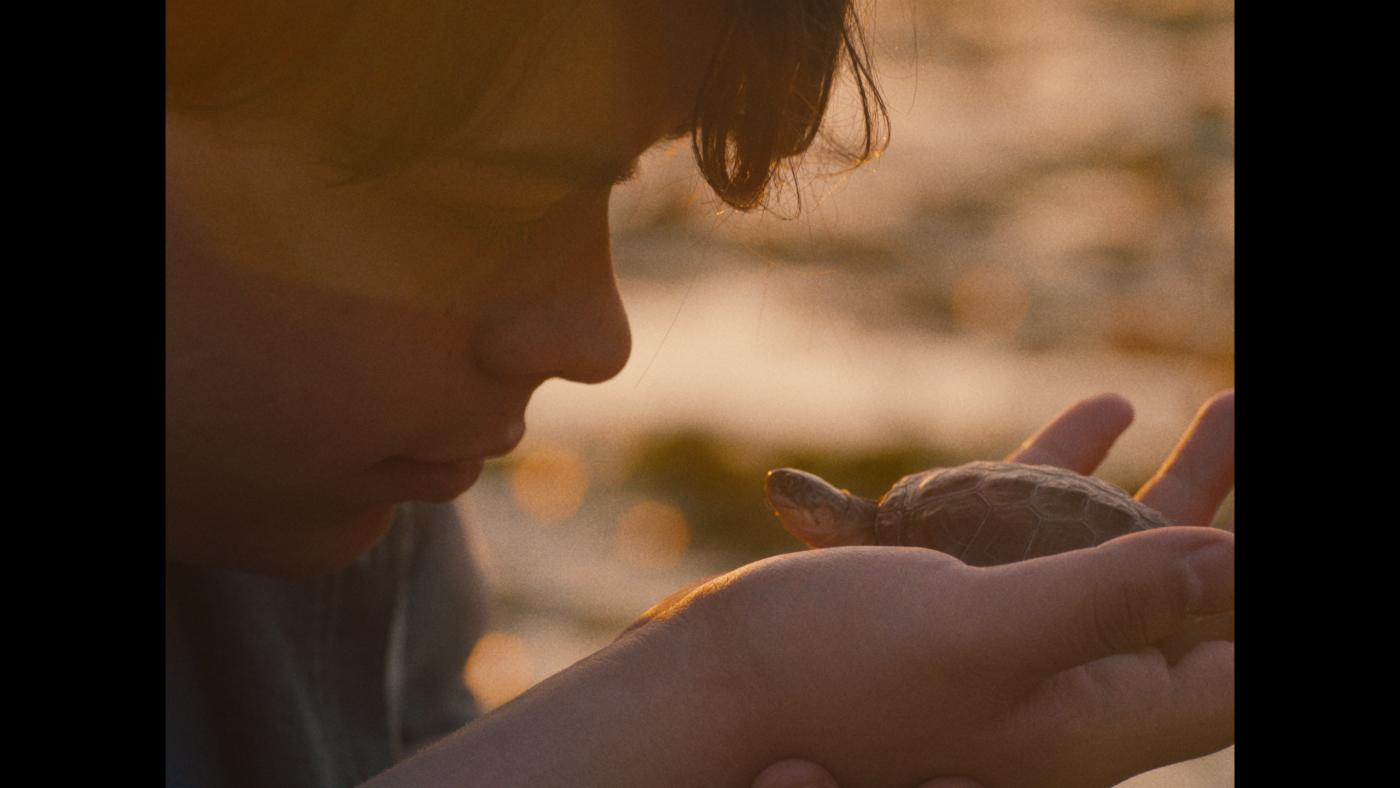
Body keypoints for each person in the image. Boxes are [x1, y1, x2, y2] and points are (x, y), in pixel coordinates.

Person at [166, 1, 1235, 786]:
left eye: (612, 197)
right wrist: (723, 689)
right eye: (481, 207)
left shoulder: (354, 525)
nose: (602, 340)